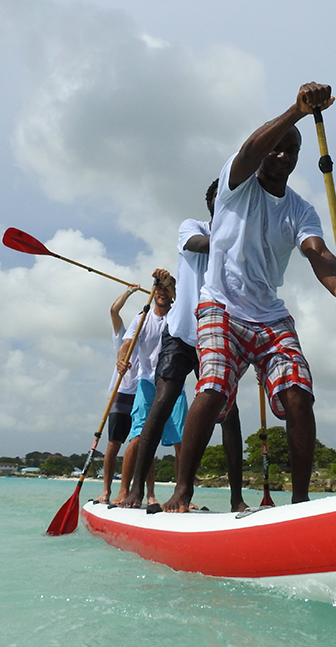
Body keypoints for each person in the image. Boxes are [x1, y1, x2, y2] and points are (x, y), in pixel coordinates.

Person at [163, 82, 336, 513]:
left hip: (270, 316)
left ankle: (301, 500)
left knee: (298, 394)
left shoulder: (300, 209)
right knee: (213, 387)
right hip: (220, 307)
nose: (282, 155)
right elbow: (253, 148)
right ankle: (182, 491)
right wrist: (296, 112)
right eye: (277, 147)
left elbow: (318, 252)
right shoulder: (238, 183)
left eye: (291, 150)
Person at [118, 180, 248, 512]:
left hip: (219, 334)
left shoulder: (243, 238)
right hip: (181, 334)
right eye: (225, 199)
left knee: (228, 415)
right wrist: (239, 233)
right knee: (162, 404)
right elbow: (198, 245)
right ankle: (134, 491)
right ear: (212, 204)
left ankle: (236, 498)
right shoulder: (191, 227)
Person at [111, 271, 185, 506]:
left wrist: (169, 281)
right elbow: (125, 344)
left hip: (175, 383)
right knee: (137, 437)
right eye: (158, 289)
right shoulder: (142, 318)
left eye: (166, 289)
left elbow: (182, 298)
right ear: (153, 294)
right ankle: (124, 490)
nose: (162, 292)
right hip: (146, 383)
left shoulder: (179, 315)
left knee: (181, 442)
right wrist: (121, 360)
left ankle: (183, 493)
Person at [97, 284, 142, 503]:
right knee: (113, 445)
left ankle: (134, 492)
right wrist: (129, 291)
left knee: (139, 443)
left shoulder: (151, 339)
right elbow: (114, 311)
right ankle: (106, 491)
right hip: (121, 393)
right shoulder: (122, 337)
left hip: (141, 395)